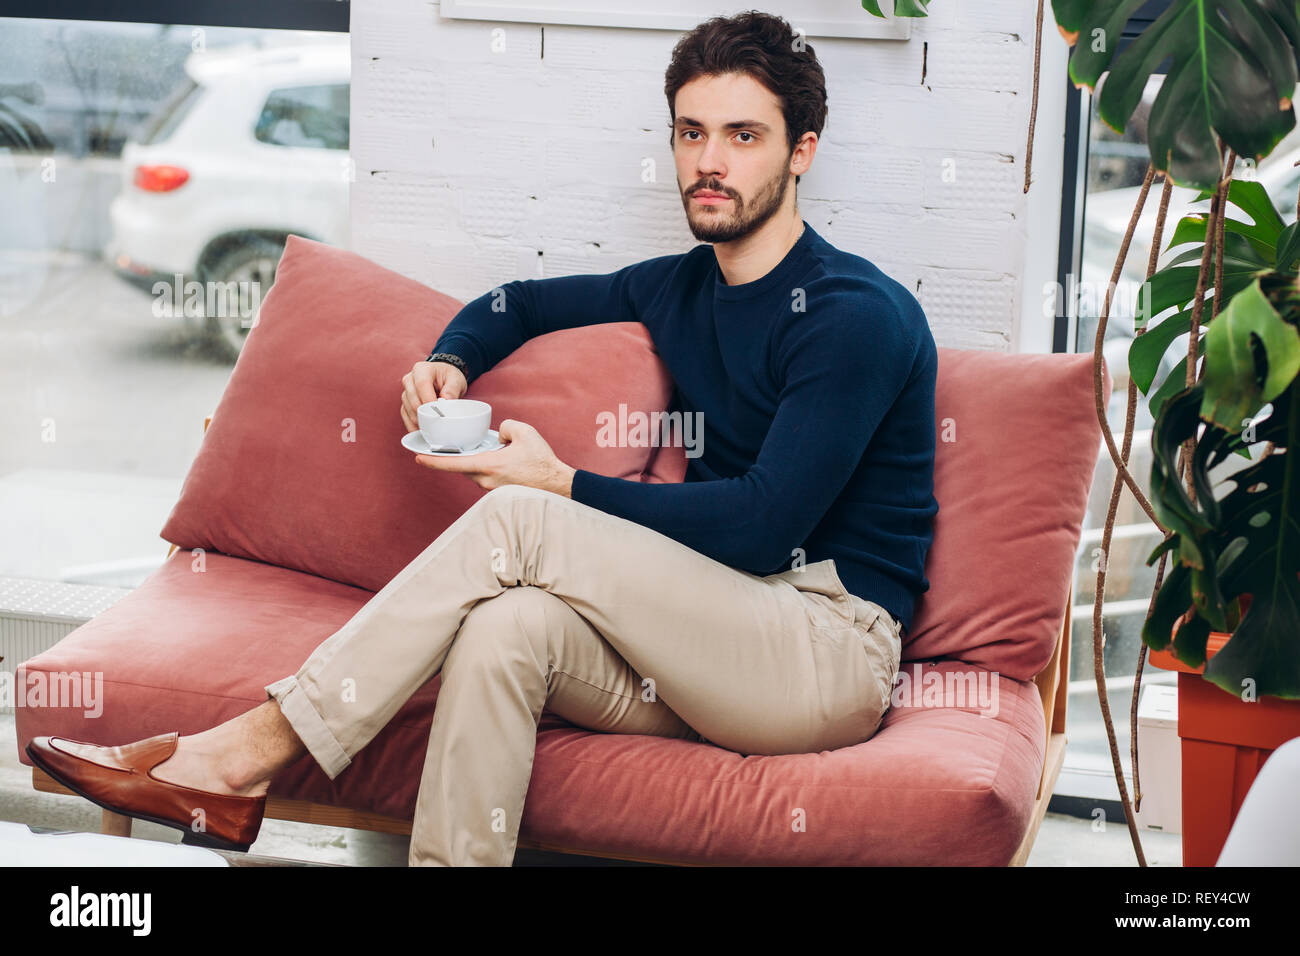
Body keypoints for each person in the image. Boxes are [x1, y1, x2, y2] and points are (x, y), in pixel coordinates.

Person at [27, 10, 939, 866]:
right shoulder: (682, 286)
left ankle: (238, 761)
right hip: (713, 642)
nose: (710, 160)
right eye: (691, 132)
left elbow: (761, 524)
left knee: (520, 520)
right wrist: (451, 361)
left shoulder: (853, 316)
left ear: (801, 151)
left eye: (744, 137)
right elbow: (524, 301)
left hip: (824, 652)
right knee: (508, 628)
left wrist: (558, 485)